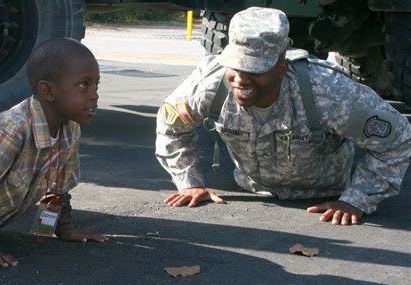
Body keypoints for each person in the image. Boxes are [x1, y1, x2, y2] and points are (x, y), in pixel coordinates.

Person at [155, 7, 410, 225]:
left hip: (325, 197)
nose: (241, 79)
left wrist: (358, 199)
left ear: (281, 68)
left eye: (255, 69)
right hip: (251, 192)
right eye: (236, 66)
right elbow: (171, 127)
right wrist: (189, 183)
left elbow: (397, 137)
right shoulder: (211, 85)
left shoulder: (328, 92)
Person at [0, 38, 108, 267]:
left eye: (96, 85)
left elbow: (57, 187)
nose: (94, 95)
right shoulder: (10, 132)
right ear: (47, 91)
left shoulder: (69, 129)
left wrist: (64, 228)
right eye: (83, 85)